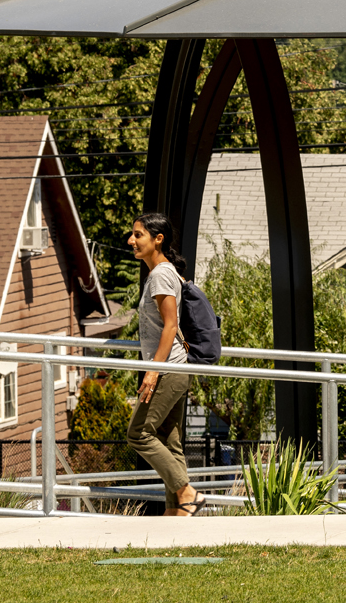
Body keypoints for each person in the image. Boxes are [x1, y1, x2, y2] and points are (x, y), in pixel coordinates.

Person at [127, 211, 199, 516]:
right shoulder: (161, 273)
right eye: (132, 234)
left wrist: (152, 371)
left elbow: (170, 325)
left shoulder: (160, 274)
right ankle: (177, 510)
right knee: (170, 442)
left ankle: (187, 492)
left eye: (138, 235)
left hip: (168, 369)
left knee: (138, 433)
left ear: (159, 239)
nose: (131, 240)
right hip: (173, 368)